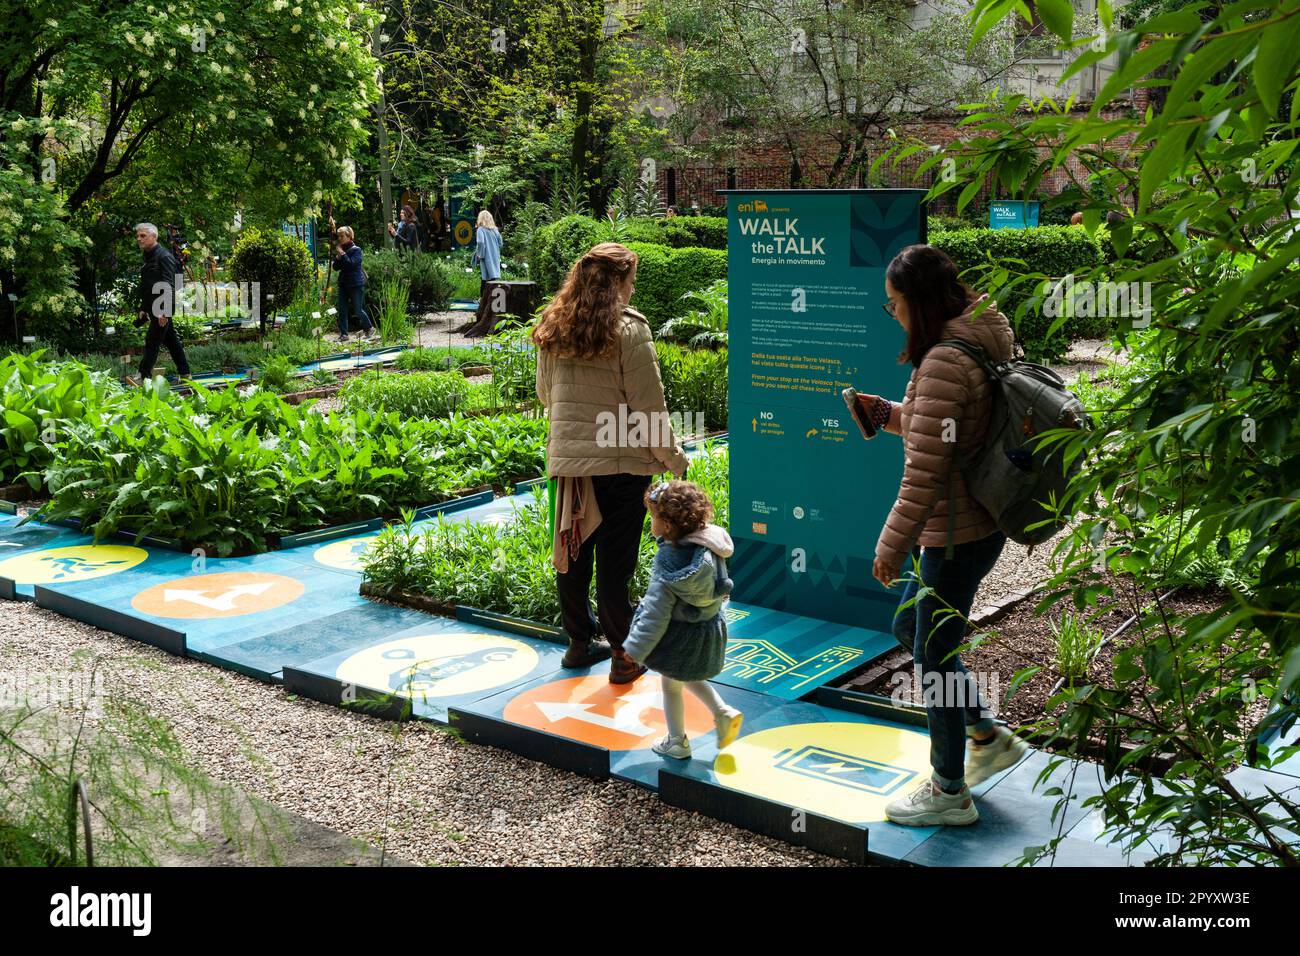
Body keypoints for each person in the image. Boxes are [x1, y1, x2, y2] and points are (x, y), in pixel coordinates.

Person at [850, 244, 1028, 827]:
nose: (893, 315)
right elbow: (945, 432)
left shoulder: (945, 361)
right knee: (913, 629)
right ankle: (985, 734)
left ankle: (949, 789)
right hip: (976, 522)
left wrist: (889, 546)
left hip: (954, 532)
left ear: (919, 302)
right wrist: (892, 413)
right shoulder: (980, 333)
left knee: (934, 656)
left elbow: (925, 472)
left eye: (894, 304)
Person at [533, 242, 689, 684]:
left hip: (570, 464)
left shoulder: (554, 326)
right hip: (621, 464)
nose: (634, 286)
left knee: (573, 551)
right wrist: (674, 460)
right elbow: (648, 410)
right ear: (618, 281)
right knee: (616, 564)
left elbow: (547, 395)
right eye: (631, 278)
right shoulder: (629, 330)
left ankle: (580, 643)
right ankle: (624, 655)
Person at [624, 479, 743, 759]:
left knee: (670, 684)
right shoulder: (709, 543)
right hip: (708, 627)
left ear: (667, 525)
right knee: (684, 677)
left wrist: (635, 649)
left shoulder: (668, 563)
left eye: (653, 516)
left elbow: (655, 611)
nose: (650, 521)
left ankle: (677, 741)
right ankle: (722, 712)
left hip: (679, 634)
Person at [134, 222, 191, 382]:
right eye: (138, 236)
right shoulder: (148, 256)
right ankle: (186, 373)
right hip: (152, 308)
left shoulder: (164, 256)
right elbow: (147, 285)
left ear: (154, 236)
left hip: (161, 309)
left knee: (152, 340)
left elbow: (169, 285)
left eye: (143, 236)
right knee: (171, 341)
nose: (139, 239)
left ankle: (142, 376)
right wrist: (143, 308)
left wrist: (165, 311)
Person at [332, 225, 374, 343]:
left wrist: (343, 254)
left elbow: (351, 265)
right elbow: (335, 267)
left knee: (358, 310)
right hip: (344, 284)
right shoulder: (342, 250)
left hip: (355, 284)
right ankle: (344, 334)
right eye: (338, 236)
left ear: (349, 236)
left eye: (342, 236)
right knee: (342, 310)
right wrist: (339, 257)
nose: (340, 238)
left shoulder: (356, 250)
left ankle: (369, 328)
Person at [472, 210, 503, 330]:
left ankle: (483, 306)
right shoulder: (495, 230)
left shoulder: (480, 230)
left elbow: (480, 242)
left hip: (486, 258)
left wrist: (480, 255)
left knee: (485, 281)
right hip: (495, 257)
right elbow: (500, 243)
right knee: (495, 280)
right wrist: (495, 249)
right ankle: (495, 308)